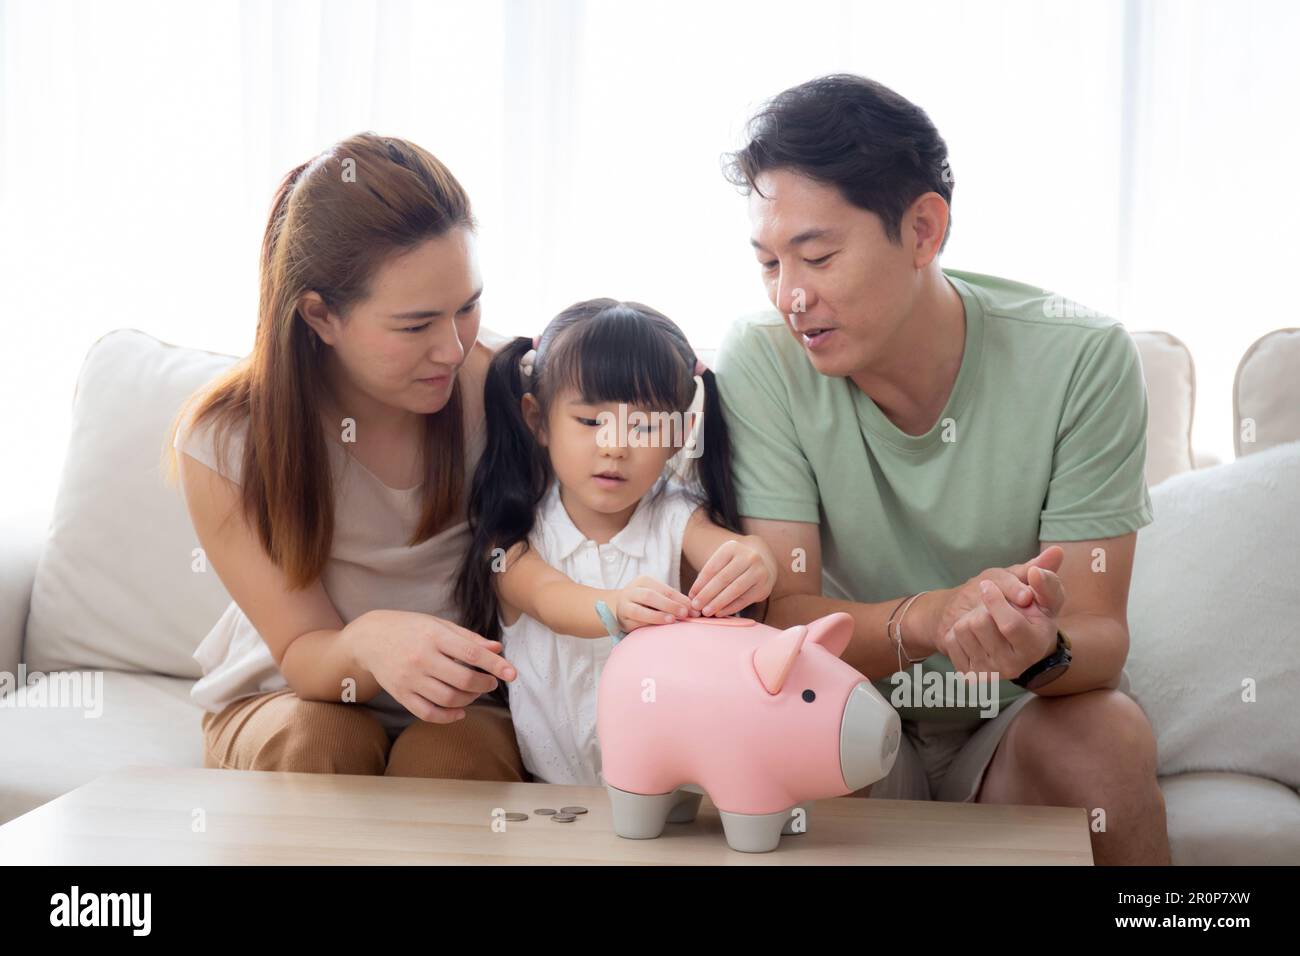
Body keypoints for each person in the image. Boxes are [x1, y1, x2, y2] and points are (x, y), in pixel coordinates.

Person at [716, 74, 1170, 864]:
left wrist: (1036, 645)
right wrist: (927, 618)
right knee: (761, 730)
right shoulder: (763, 359)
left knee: (1110, 735)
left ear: (924, 230)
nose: (791, 296)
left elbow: (1100, 636)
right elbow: (784, 614)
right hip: (843, 715)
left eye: (817, 256)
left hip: (1009, 725)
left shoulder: (1082, 358)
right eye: (767, 263)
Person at [169, 133, 521, 779]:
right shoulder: (225, 441)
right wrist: (367, 640)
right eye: (415, 325)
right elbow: (301, 650)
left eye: (467, 307)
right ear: (320, 317)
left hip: (462, 704)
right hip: (290, 694)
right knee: (320, 741)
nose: (451, 347)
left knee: (452, 763)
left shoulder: (505, 387)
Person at [455, 298, 777, 784]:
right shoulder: (517, 537)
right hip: (549, 789)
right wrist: (616, 608)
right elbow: (548, 598)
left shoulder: (674, 515)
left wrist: (756, 563)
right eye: (590, 422)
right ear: (538, 420)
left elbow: (737, 549)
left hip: (663, 786)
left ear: (679, 435)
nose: (615, 446)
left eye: (644, 426)